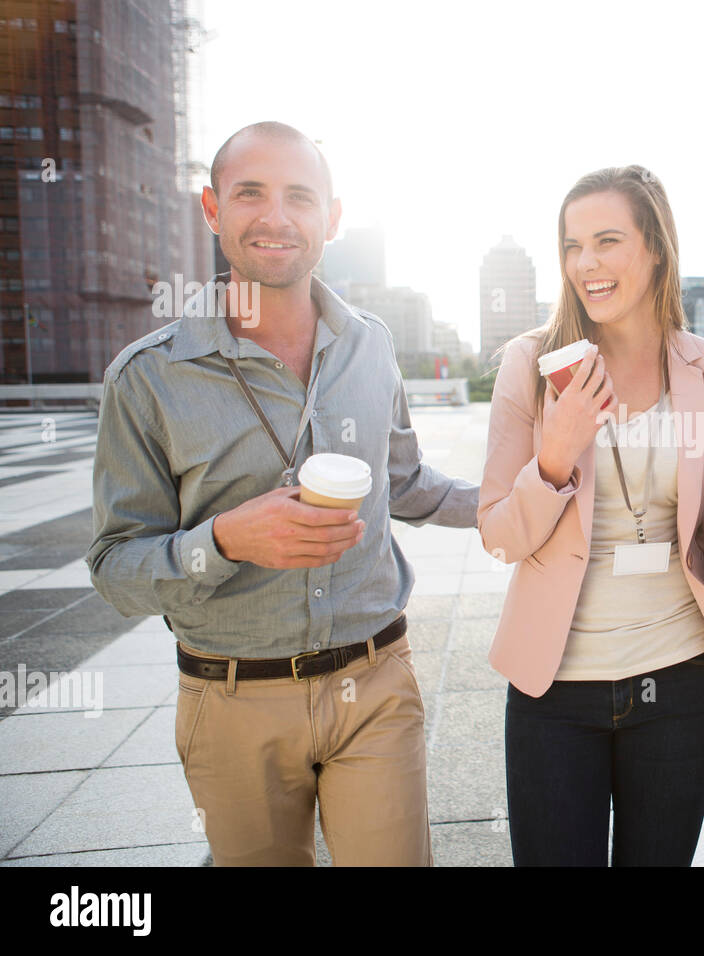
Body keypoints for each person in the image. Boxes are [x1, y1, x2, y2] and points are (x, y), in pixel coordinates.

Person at [85, 121, 478, 866]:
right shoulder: (146, 377)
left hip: (376, 682)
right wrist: (225, 541)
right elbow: (114, 570)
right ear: (212, 210)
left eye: (299, 195)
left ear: (331, 217)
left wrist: (527, 500)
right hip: (232, 700)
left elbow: (404, 484)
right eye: (250, 194)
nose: (275, 216)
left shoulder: (371, 343)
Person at [478, 165, 704, 866]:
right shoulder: (531, 364)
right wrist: (555, 458)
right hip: (554, 690)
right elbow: (499, 535)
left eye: (606, 241)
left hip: (680, 683)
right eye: (572, 246)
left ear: (656, 248)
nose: (586, 265)